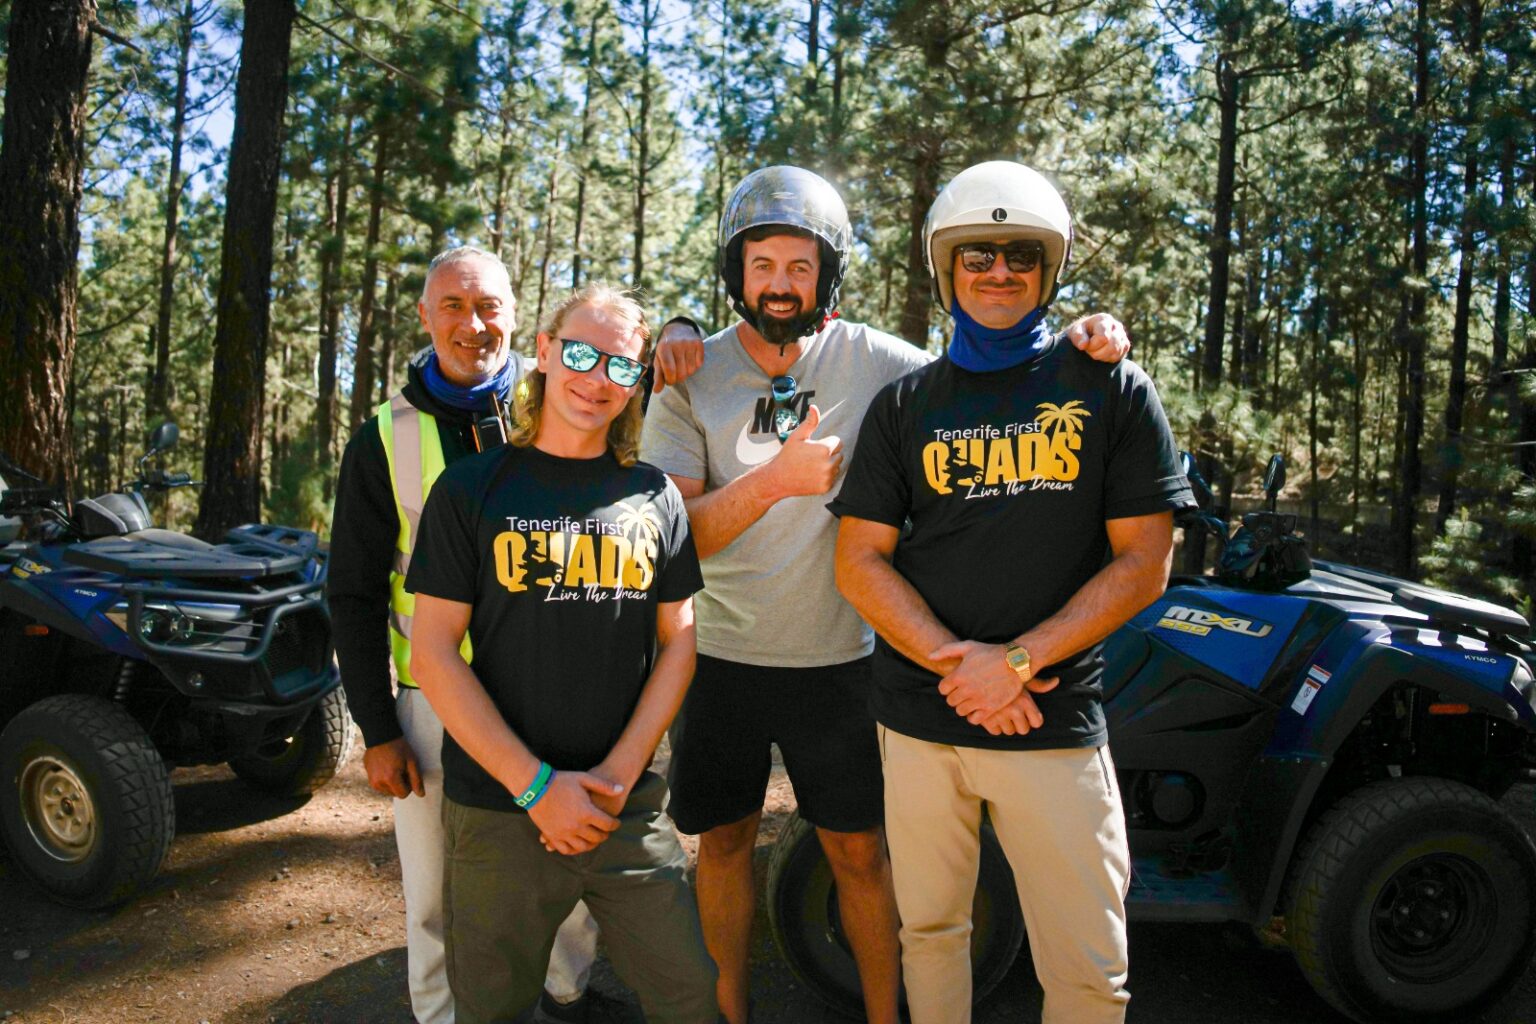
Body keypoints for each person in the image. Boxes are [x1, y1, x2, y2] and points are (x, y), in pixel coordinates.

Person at [638, 165, 1132, 1024]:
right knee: (720, 847)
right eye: (762, 266)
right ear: (735, 272)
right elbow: (673, 538)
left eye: (800, 267)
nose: (780, 285)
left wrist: (1084, 338)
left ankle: (883, 1016)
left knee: (859, 854)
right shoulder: (688, 373)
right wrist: (777, 481)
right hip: (721, 657)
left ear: (828, 274)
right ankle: (726, 1015)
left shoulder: (883, 364)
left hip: (847, 661)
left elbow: (989, 371)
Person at [830, 160, 1193, 1024]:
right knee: (930, 933)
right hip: (921, 721)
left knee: (1087, 971)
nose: (999, 270)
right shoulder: (904, 404)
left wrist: (1020, 663)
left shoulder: (1108, 387)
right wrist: (968, 669)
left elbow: (1146, 561)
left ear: (1049, 269)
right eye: (978, 254)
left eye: (1020, 255)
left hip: (1054, 722)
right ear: (946, 267)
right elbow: (859, 561)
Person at [329, 247, 702, 1024]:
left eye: (488, 306)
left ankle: (564, 997)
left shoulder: (617, 468)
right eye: (454, 308)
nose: (472, 324)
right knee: (445, 900)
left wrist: (620, 771)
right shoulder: (398, 443)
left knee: (580, 916)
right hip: (441, 711)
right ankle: (445, 1015)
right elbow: (357, 591)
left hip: (593, 735)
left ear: (515, 322)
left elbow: (677, 637)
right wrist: (377, 725)